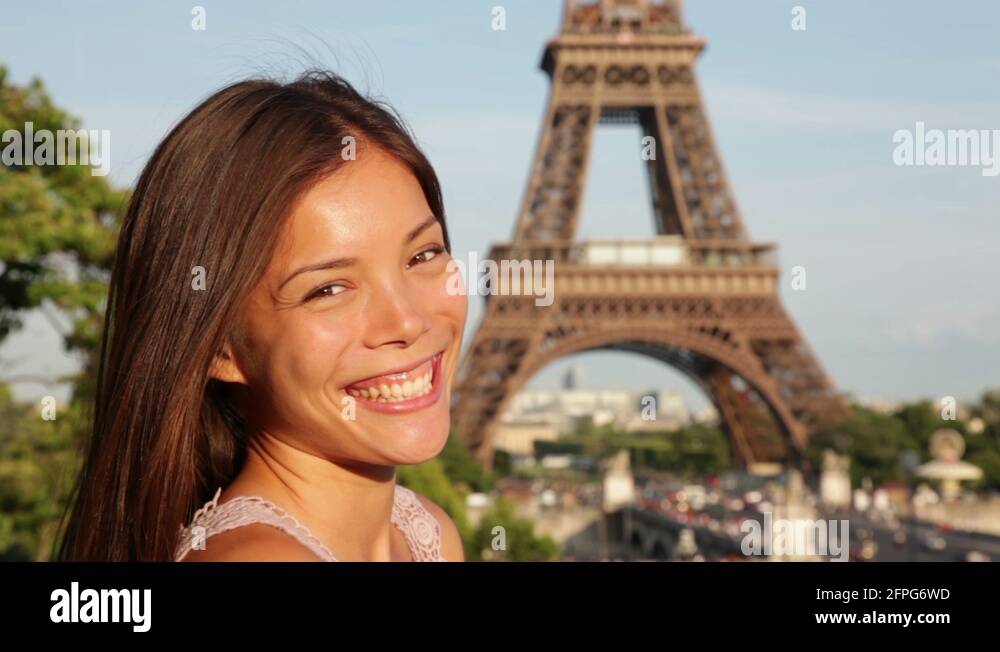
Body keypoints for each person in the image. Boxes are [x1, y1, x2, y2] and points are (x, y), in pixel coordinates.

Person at [55, 70, 468, 562]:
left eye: (423, 255)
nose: (407, 321)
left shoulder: (425, 533)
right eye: (328, 289)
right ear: (218, 349)